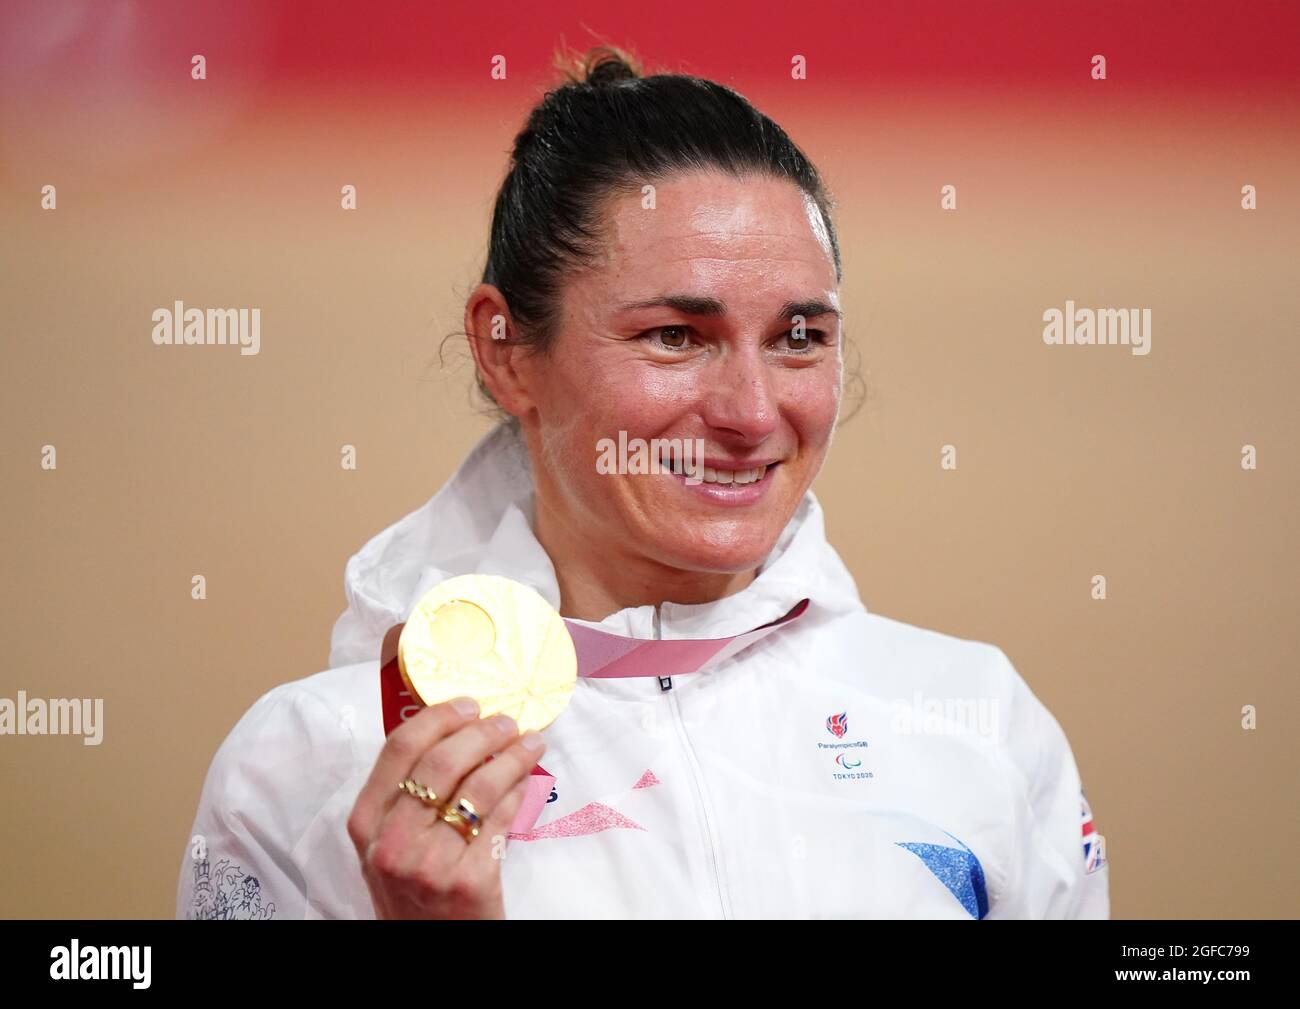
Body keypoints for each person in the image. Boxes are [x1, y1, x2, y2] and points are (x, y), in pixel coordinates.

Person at [176, 45, 1109, 920]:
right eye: (675, 336)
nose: (749, 412)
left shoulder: (978, 723)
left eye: (798, 337)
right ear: (507, 352)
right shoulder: (316, 763)